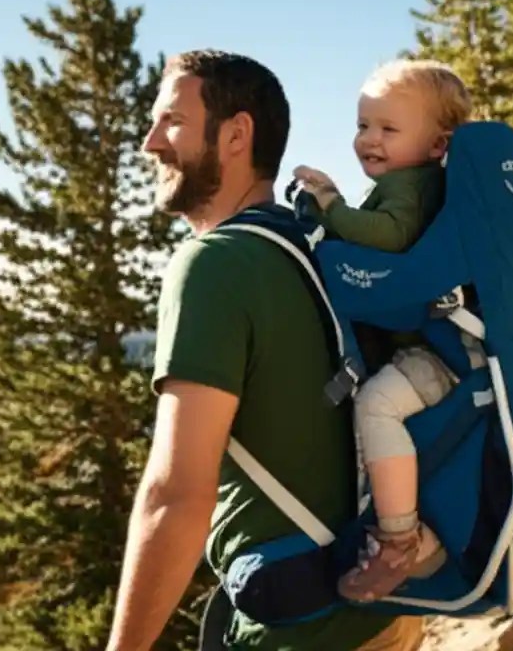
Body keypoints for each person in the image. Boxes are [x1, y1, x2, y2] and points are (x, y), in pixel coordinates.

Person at [106, 49, 424, 651]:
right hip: (387, 613)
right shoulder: (316, 244)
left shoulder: (213, 266)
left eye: (170, 120)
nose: (150, 143)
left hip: (306, 631)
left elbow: (176, 496)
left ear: (235, 134)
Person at [290, 59, 484, 603]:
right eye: (362, 125)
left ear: (437, 144)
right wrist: (339, 206)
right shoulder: (415, 181)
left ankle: (403, 542)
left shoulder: (415, 186)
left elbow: (392, 237)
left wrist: (330, 210)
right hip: (437, 348)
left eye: (388, 129)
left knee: (375, 406)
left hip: (445, 356)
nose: (369, 139)